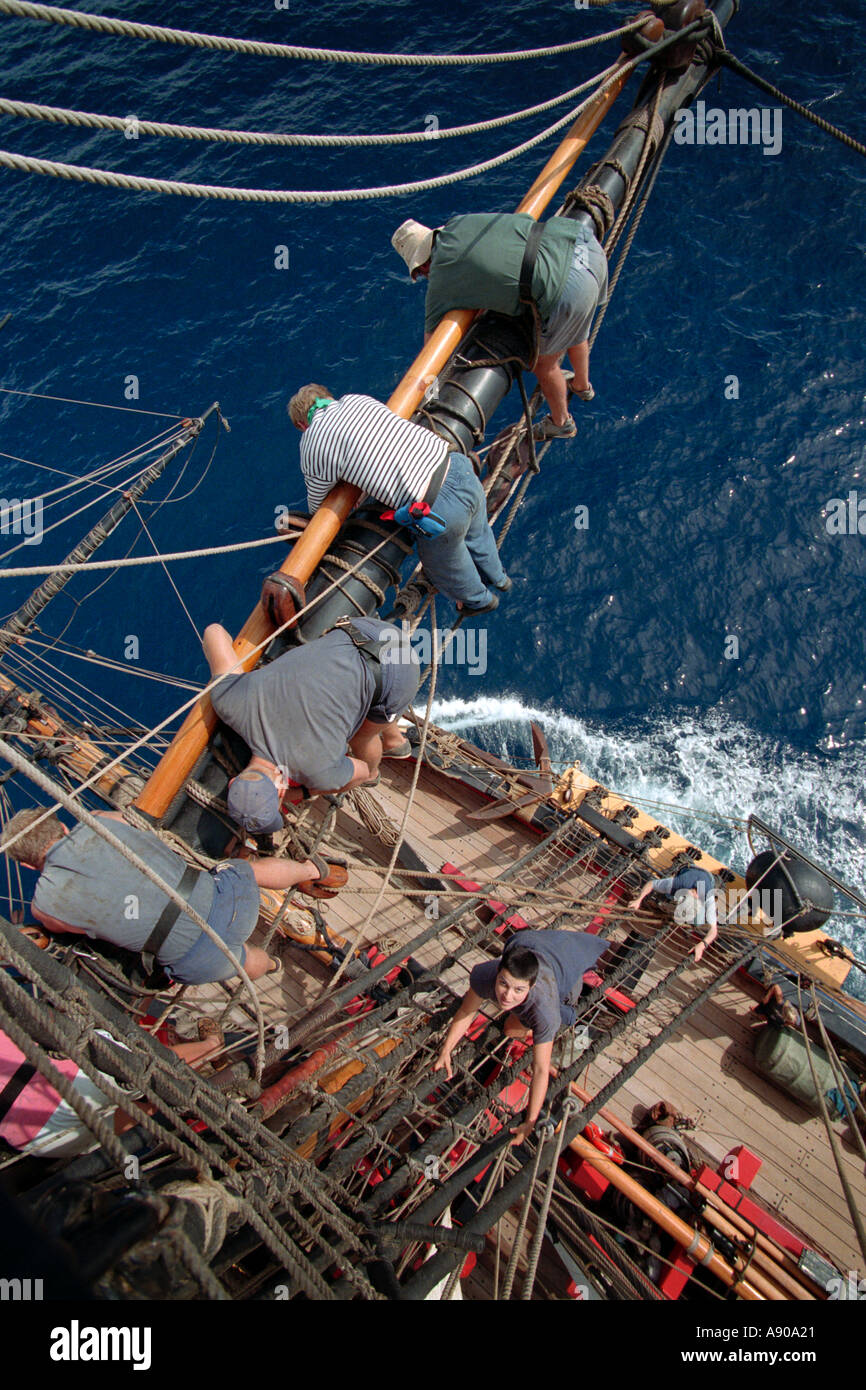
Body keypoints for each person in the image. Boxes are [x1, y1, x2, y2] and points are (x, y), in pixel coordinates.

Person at [1, 807, 336, 986]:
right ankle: (312, 871)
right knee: (243, 868)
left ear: (30, 867)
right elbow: (143, 827)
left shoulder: (44, 908)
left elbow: (73, 928)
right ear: (60, 828)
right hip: (229, 905)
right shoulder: (98, 822)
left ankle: (274, 964)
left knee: (248, 961)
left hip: (193, 960)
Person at [287, 385, 510, 615]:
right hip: (458, 468)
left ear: (302, 425)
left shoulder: (311, 442)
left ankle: (479, 600)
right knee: (478, 532)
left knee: (443, 563)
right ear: (327, 398)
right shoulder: (355, 399)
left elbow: (317, 503)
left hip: (438, 508)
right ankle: (499, 577)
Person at [392, 212, 608, 441]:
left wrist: (427, 394)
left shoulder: (440, 280)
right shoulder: (459, 222)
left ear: (423, 266)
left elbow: (432, 353)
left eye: (419, 273)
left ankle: (561, 423)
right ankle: (582, 386)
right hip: (583, 244)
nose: (423, 276)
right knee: (575, 327)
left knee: (545, 366)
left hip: (571, 288)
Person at [204, 615, 420, 832]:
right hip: (363, 629)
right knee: (363, 698)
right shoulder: (229, 702)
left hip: (401, 670)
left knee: (362, 737)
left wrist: (305, 793)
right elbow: (214, 631)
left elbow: (360, 770)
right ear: (234, 781)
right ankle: (394, 738)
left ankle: (379, 769)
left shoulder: (320, 774)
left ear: (281, 793)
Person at [433, 930, 608, 1145]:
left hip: (566, 968)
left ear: (531, 987)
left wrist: (530, 1121)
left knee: (510, 1029)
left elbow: (542, 1069)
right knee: (509, 1021)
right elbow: (466, 1012)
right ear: (497, 971)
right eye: (503, 984)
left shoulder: (545, 1011)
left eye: (519, 990)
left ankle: (528, 1023)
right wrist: (446, 1050)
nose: (507, 995)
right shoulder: (486, 975)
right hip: (536, 943)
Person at [0, 1020, 220, 1158]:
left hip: (35, 1138)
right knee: (143, 1066)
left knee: (123, 1112)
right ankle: (211, 1046)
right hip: (62, 1081)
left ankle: (159, 1103)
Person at [628, 867, 719, 963]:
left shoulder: (708, 897)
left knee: (698, 922)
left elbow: (714, 930)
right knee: (667, 896)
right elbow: (651, 884)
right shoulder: (677, 883)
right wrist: (638, 899)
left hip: (708, 879)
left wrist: (702, 945)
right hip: (689, 872)